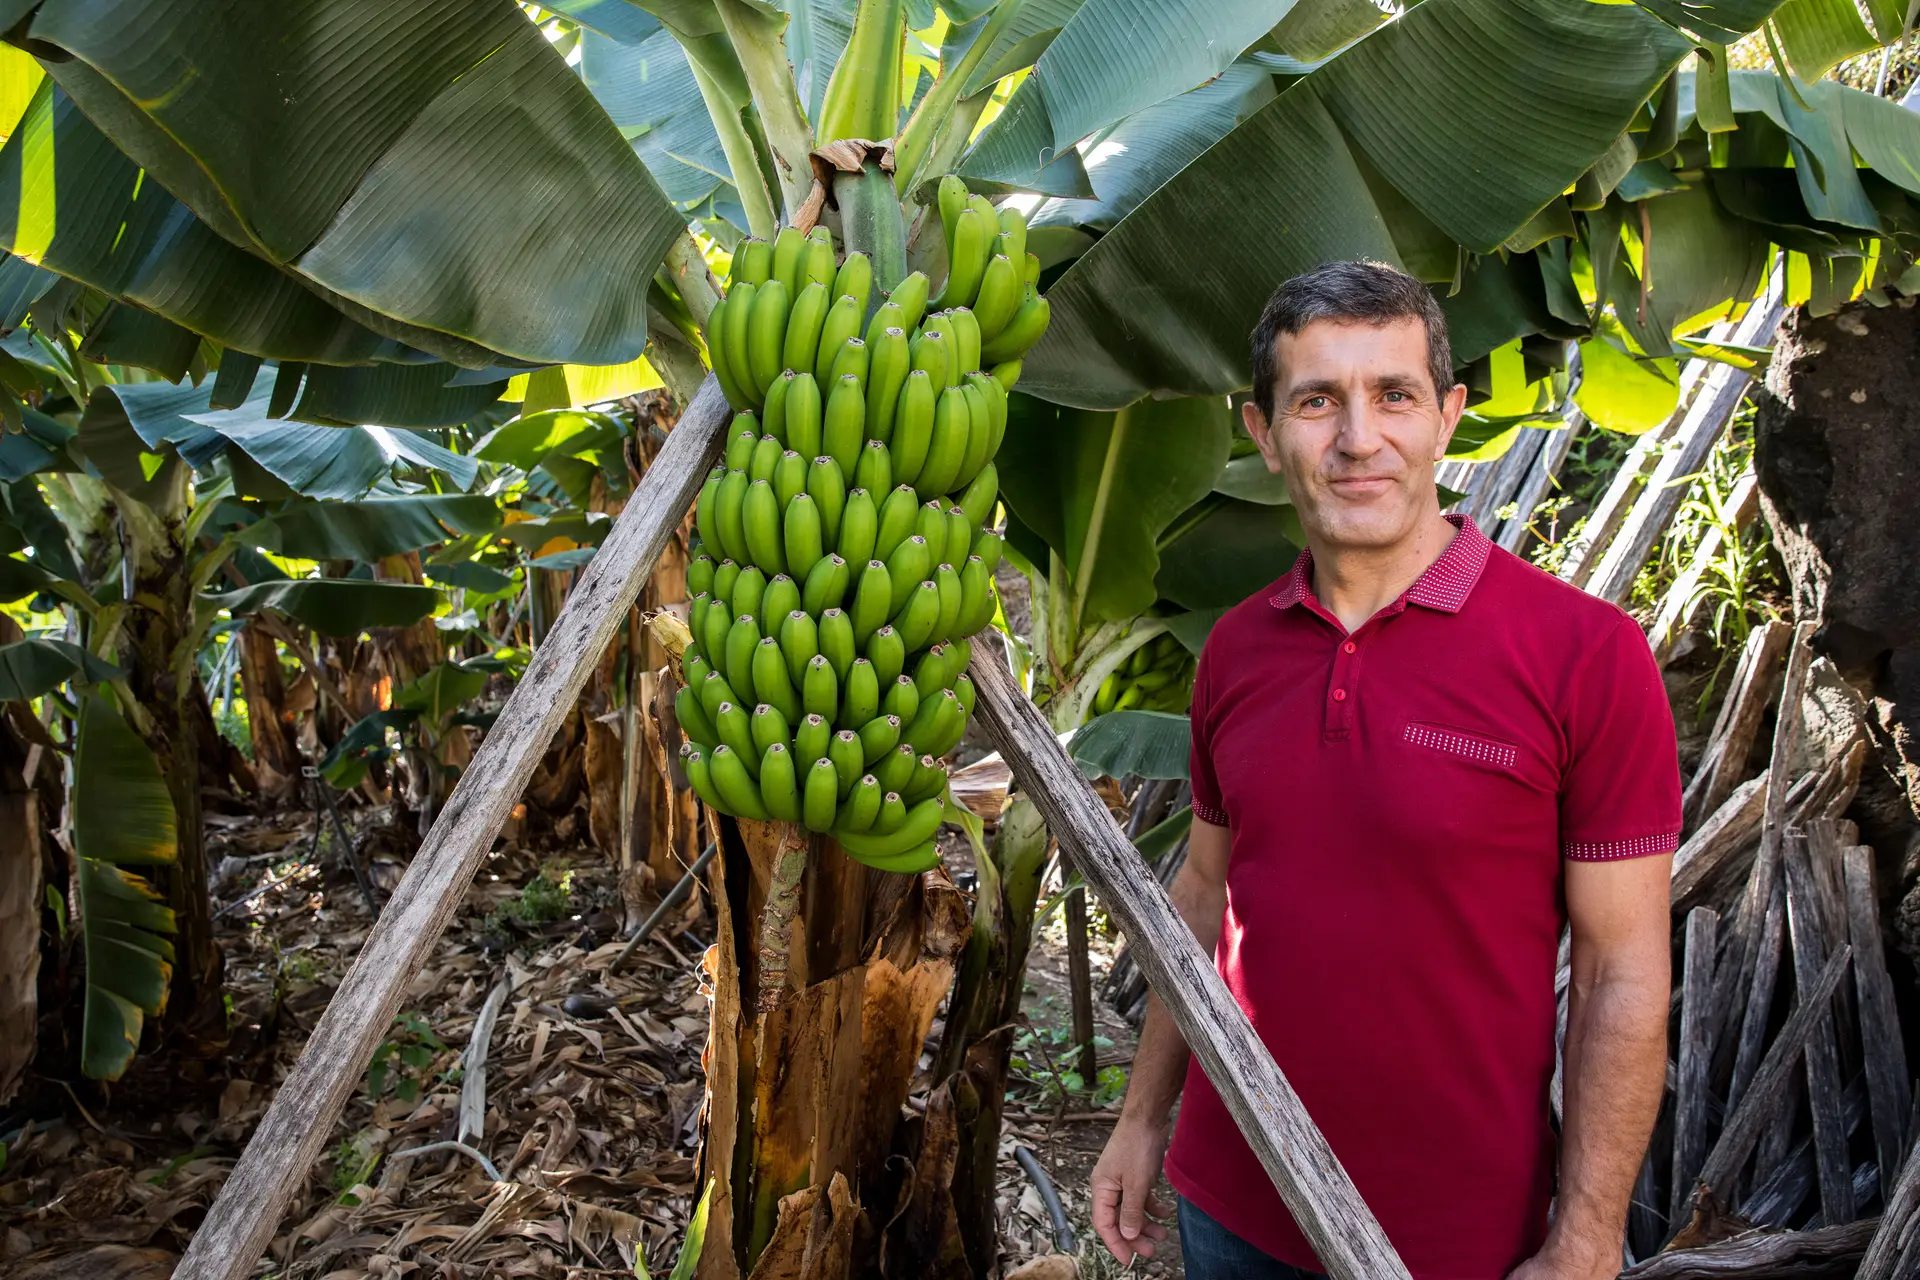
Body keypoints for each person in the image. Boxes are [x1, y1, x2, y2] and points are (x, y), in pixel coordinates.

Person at [1089, 260, 1678, 1280]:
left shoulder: (1584, 653)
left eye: (1393, 394)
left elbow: (1623, 968)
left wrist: (1585, 1235)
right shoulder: (1236, 648)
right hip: (1232, 1198)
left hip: (1457, 1236)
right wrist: (1143, 1119)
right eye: (1318, 401)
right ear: (1265, 433)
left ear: (1447, 416)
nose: (1360, 439)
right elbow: (1204, 892)